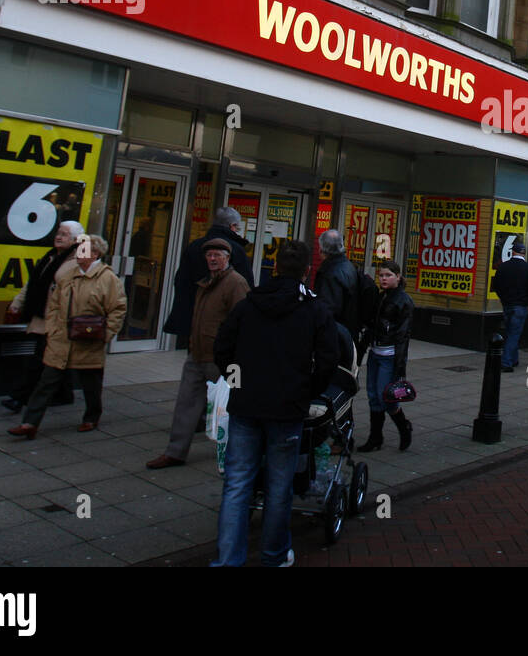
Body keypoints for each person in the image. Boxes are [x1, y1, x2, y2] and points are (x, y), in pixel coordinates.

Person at [212, 239, 339, 567]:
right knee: (279, 485)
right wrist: (307, 390)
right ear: (307, 271)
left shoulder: (249, 303)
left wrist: (236, 381)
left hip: (247, 405)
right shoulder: (314, 309)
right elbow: (328, 359)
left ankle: (228, 560)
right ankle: (274, 555)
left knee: (237, 483)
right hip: (287, 408)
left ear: (275, 267)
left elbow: (223, 347)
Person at [9, 235, 126, 439]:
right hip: (61, 339)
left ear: (95, 254)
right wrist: (52, 329)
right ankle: (30, 423)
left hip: (89, 340)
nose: (78, 254)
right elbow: (54, 304)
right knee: (46, 382)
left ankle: (91, 416)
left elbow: (118, 308)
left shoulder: (108, 279)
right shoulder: (68, 275)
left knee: (91, 384)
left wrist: (106, 334)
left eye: (83, 250)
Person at [147, 238, 250, 469]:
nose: (212, 259)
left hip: (224, 359)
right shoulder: (205, 283)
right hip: (197, 354)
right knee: (185, 404)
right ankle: (175, 451)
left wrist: (235, 356)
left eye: (217, 255)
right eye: (209, 255)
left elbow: (244, 320)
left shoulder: (236, 283)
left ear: (227, 258)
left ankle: (239, 453)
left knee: (232, 406)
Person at [2, 220, 85, 412]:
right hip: (42, 316)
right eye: (58, 232)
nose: (58, 236)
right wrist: (17, 304)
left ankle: (19, 398)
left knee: (39, 359)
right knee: (48, 359)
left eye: (64, 234)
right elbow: (33, 284)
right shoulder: (49, 257)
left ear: (75, 240)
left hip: (59, 319)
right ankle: (65, 394)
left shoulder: (77, 261)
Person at [164, 207, 254, 340]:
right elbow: (246, 287)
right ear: (232, 226)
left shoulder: (195, 246)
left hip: (193, 318)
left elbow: (181, 281)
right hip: (221, 321)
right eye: (237, 228)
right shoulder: (237, 250)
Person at [359, 260, 415, 452]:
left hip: (389, 355)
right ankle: (375, 438)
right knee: (373, 396)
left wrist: (400, 368)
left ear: (398, 277)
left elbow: (403, 336)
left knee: (387, 398)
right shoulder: (381, 296)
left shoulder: (403, 301)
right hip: (376, 353)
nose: (383, 278)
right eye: (381, 275)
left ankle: (403, 426)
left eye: (388, 275)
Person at [490, 241, 528, 372]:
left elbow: (497, 285)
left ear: (512, 252)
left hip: (507, 304)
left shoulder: (503, 267)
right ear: (524, 253)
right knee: (514, 333)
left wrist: (503, 299)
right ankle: (506, 363)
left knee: (510, 332)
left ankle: (514, 358)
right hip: (520, 305)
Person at [313, 229, 360, 335]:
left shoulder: (329, 273)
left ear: (321, 250)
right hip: (346, 332)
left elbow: (327, 311)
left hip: (334, 335)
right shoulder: (349, 267)